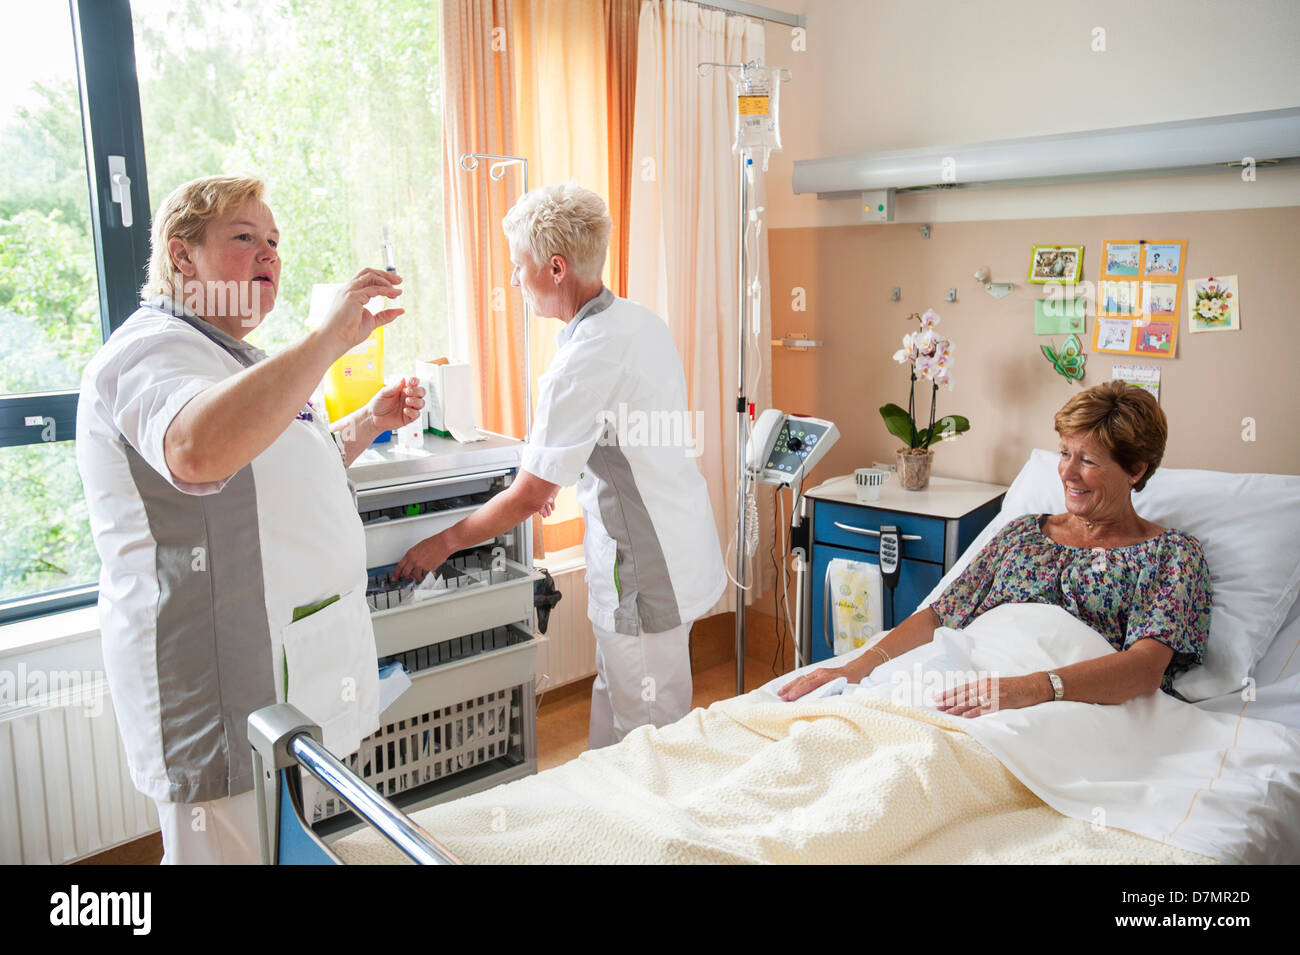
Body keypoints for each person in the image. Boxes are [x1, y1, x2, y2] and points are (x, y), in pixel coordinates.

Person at [76, 175, 425, 863]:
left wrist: (368, 421)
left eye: (274, 241)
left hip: (284, 665)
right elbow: (197, 449)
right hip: (218, 678)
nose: (270, 253)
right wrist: (326, 343)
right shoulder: (148, 350)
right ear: (182, 257)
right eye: (244, 238)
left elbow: (287, 459)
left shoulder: (239, 359)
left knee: (278, 844)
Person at [395, 182, 726, 748]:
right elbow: (621, 434)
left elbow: (528, 496)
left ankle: (651, 833)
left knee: (651, 734)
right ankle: (598, 819)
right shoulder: (637, 321)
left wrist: (443, 543)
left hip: (645, 568)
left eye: (517, 267)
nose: (513, 281)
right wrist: (552, 474)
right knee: (619, 699)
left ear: (554, 268)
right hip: (674, 543)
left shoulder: (585, 356)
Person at [780, 380, 1212, 713]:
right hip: (964, 678)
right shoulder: (1022, 533)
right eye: (1065, 453)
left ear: (1136, 469)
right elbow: (939, 615)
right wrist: (854, 668)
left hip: (1060, 706)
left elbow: (1144, 669)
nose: (1068, 473)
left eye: (1089, 460)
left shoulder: (1170, 555)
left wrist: (1030, 688)